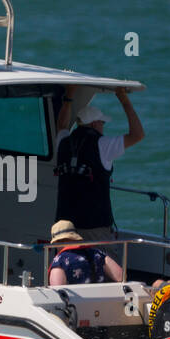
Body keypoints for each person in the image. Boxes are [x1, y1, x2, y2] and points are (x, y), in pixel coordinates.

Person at [54, 86, 145, 247]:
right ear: (95, 124)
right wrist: (123, 99)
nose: (103, 127)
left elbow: (62, 124)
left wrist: (69, 96)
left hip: (64, 227)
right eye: (102, 123)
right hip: (94, 227)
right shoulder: (102, 145)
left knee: (67, 266)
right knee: (99, 267)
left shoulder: (63, 142)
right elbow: (138, 135)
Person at [47, 220, 124, 286]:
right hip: (101, 300)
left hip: (75, 302)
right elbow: (120, 276)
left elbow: (57, 292)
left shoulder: (60, 261)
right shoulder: (96, 253)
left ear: (56, 242)